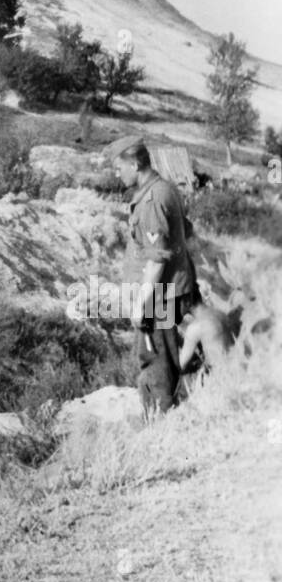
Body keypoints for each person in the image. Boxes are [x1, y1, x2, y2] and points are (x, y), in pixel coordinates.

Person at [115, 142, 197, 415]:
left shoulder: (153, 199)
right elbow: (187, 232)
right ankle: (179, 405)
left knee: (154, 360)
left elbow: (156, 259)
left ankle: (161, 420)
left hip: (160, 297)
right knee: (168, 354)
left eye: (119, 168)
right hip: (170, 290)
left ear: (135, 165)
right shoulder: (165, 188)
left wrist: (141, 304)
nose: (117, 174)